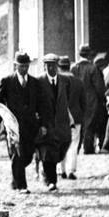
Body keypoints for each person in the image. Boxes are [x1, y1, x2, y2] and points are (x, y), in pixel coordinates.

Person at [0, 52, 53, 193]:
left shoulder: (35, 83)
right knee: (17, 154)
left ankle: (15, 180)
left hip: (31, 126)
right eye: (21, 66)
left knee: (27, 156)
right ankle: (21, 186)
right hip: (13, 126)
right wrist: (4, 117)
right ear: (15, 66)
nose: (24, 69)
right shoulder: (7, 81)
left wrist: (43, 124)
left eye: (26, 66)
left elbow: (42, 105)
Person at [37, 53, 73, 191]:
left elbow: (66, 99)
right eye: (48, 65)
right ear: (44, 66)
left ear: (57, 66)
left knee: (63, 147)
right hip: (46, 123)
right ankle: (51, 181)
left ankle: (46, 172)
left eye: (53, 65)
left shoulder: (65, 81)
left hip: (62, 123)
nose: (51, 68)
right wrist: (40, 122)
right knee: (48, 152)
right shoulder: (39, 81)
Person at [71, 45, 107, 154]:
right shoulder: (93, 68)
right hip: (91, 100)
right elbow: (99, 87)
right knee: (89, 124)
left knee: (79, 124)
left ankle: (78, 147)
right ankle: (88, 148)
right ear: (89, 55)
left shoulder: (73, 68)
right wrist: (102, 99)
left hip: (77, 100)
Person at [58, 55, 85, 180]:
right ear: (69, 67)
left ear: (59, 67)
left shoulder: (57, 81)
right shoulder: (78, 82)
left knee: (60, 142)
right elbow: (83, 102)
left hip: (60, 117)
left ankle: (61, 170)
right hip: (76, 116)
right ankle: (71, 170)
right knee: (73, 144)